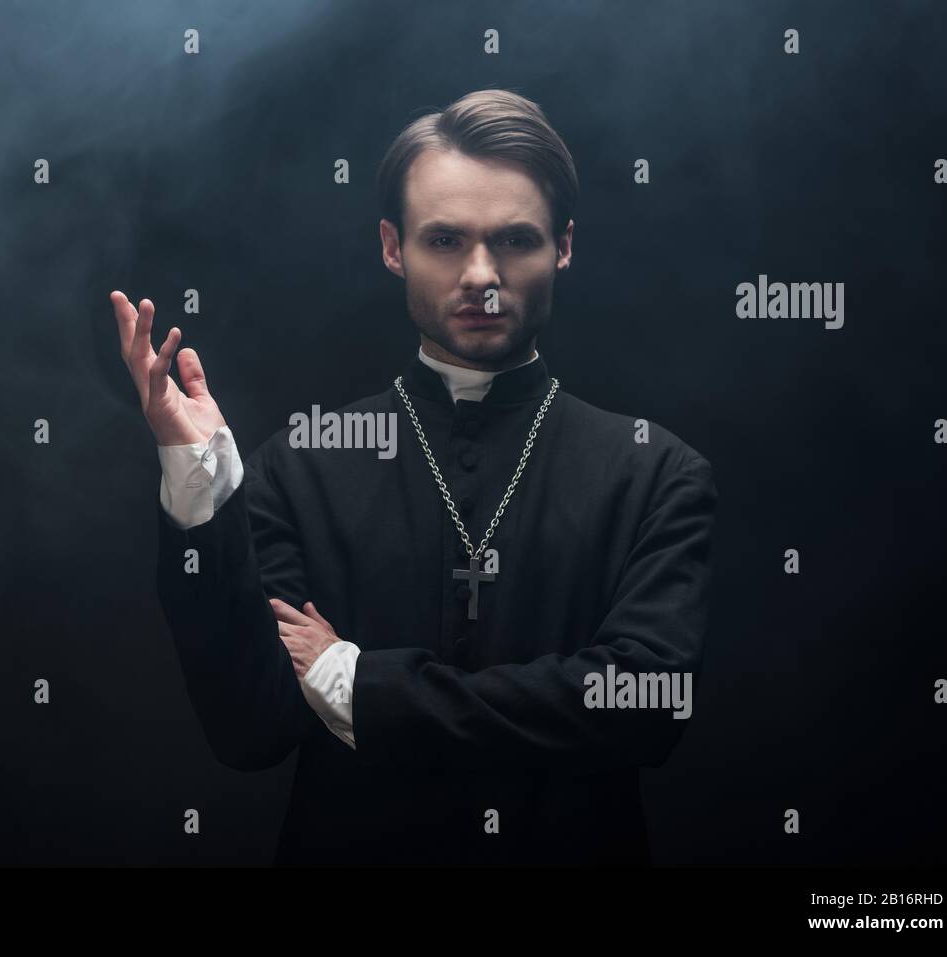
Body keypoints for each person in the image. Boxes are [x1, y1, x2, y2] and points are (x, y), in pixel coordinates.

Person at [113, 89, 717, 865]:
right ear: (393, 248)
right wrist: (200, 482)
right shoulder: (301, 465)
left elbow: (642, 706)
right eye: (444, 241)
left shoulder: (657, 473)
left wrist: (359, 684)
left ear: (563, 246)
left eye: (515, 240)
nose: (481, 276)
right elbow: (251, 729)